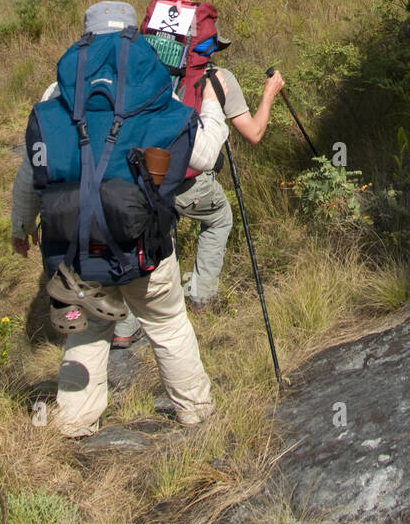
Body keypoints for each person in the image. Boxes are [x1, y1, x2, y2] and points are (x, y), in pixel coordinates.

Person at [11, 1, 229, 439]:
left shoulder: (58, 92)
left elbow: (32, 173)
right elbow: (203, 154)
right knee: (167, 324)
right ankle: (196, 414)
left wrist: (21, 226)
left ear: (85, 35)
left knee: (87, 328)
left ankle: (74, 421)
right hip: (141, 240)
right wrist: (211, 106)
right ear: (133, 33)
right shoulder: (152, 84)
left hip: (75, 242)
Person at [112, 28, 286, 347]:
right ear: (209, 49)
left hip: (140, 180)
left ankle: (126, 326)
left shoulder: (141, 75)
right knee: (219, 217)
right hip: (188, 182)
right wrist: (270, 92)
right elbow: (254, 133)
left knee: (152, 235)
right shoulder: (218, 78)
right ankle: (201, 297)